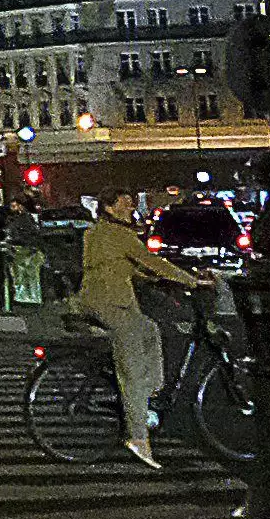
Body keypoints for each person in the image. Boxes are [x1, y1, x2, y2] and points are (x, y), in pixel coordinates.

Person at [75, 193, 215, 468]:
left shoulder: (96, 233)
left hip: (102, 299)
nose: (130, 206)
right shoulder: (119, 235)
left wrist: (155, 278)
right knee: (133, 370)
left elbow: (120, 266)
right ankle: (138, 437)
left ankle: (149, 397)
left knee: (150, 330)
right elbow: (150, 260)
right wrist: (191, 281)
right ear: (109, 207)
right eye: (124, 202)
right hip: (111, 304)